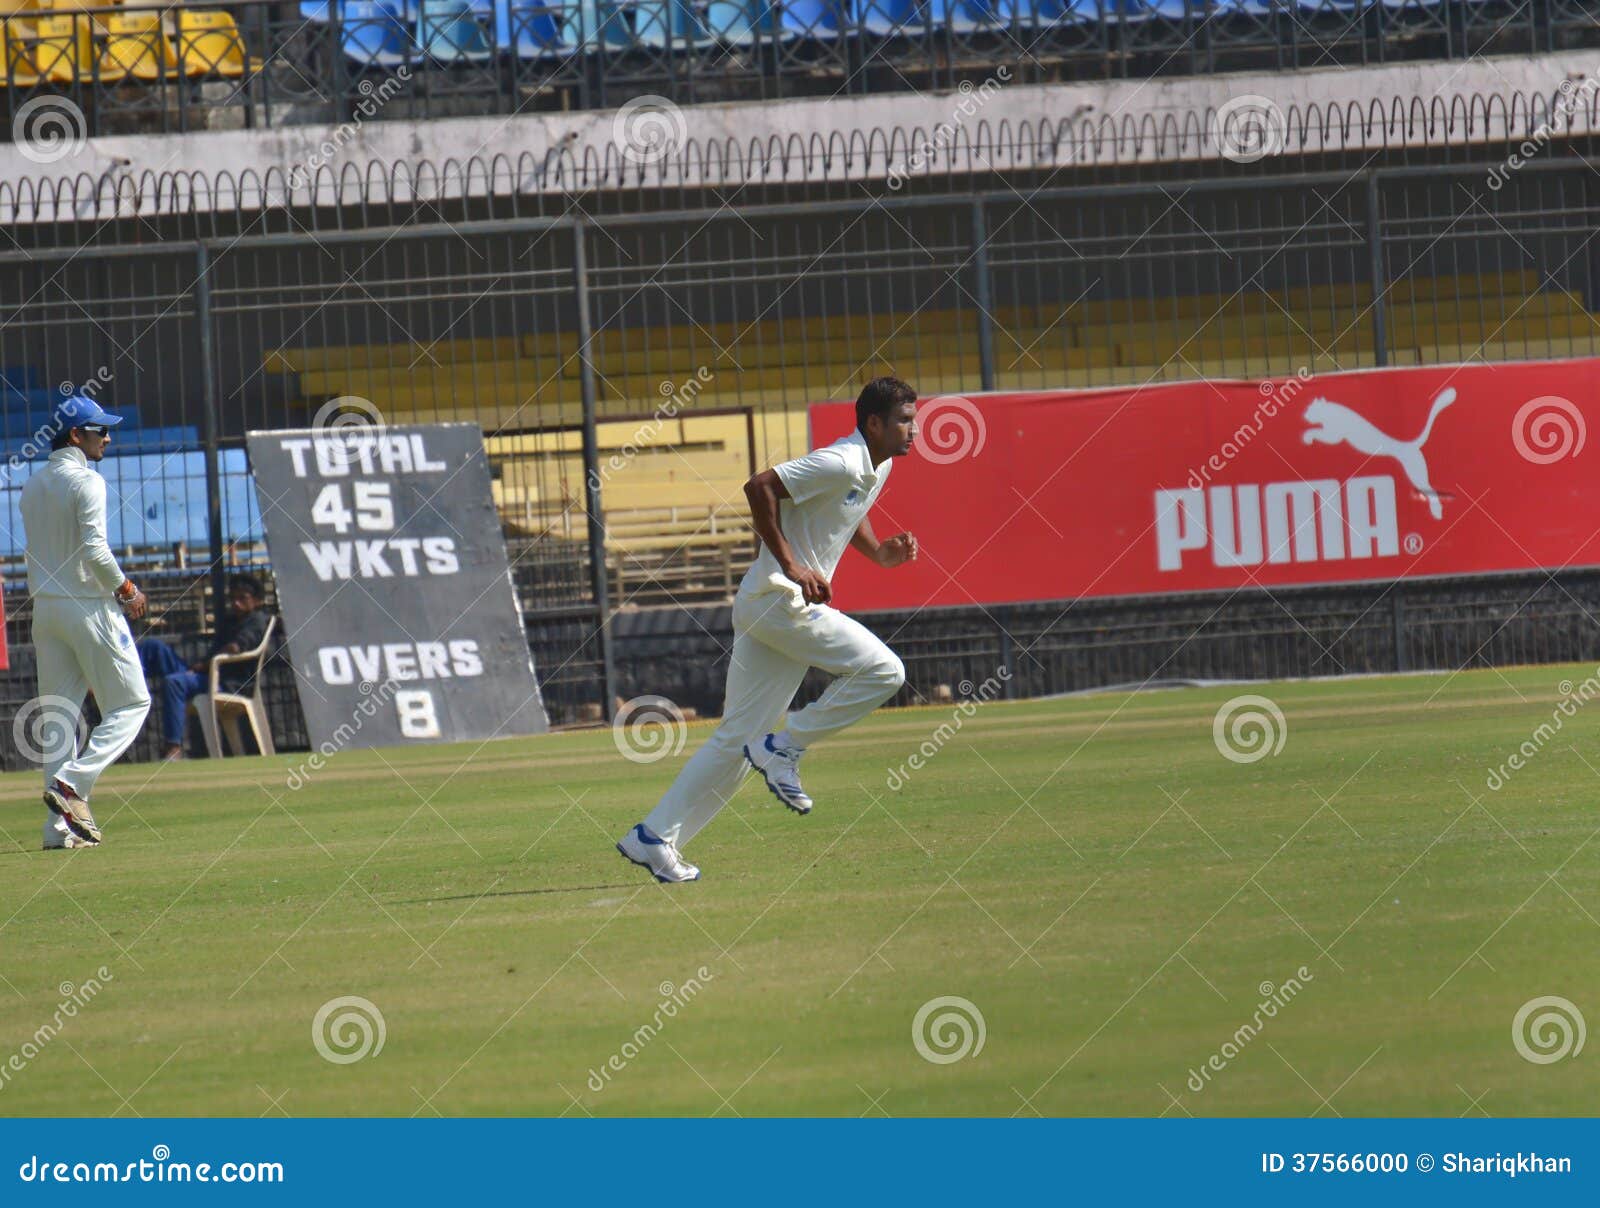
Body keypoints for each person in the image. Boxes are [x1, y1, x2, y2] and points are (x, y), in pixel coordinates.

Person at [617, 376, 922, 883]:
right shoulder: (841, 459)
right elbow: (759, 486)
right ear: (874, 423)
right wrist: (792, 564)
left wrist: (880, 554)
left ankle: (652, 838)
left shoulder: (878, 465)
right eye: (904, 421)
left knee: (738, 739)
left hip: (766, 605)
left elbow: (848, 513)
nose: (914, 430)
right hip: (784, 603)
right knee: (886, 671)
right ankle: (786, 746)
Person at [20, 394, 150, 850]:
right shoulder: (87, 481)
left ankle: (58, 831)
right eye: (100, 431)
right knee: (132, 704)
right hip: (87, 606)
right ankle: (73, 784)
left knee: (59, 716)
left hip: (46, 610)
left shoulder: (33, 485)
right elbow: (95, 551)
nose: (107, 438)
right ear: (76, 435)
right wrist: (127, 590)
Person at [137, 574, 275, 760]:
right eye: (233, 598)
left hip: (228, 682)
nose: (236, 603)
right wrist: (200, 667)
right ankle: (117, 684)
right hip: (204, 677)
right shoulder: (230, 621)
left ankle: (173, 747)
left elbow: (235, 647)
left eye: (242, 598)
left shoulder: (256, 621)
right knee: (152, 646)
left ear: (257, 601)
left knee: (174, 682)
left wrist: (204, 666)